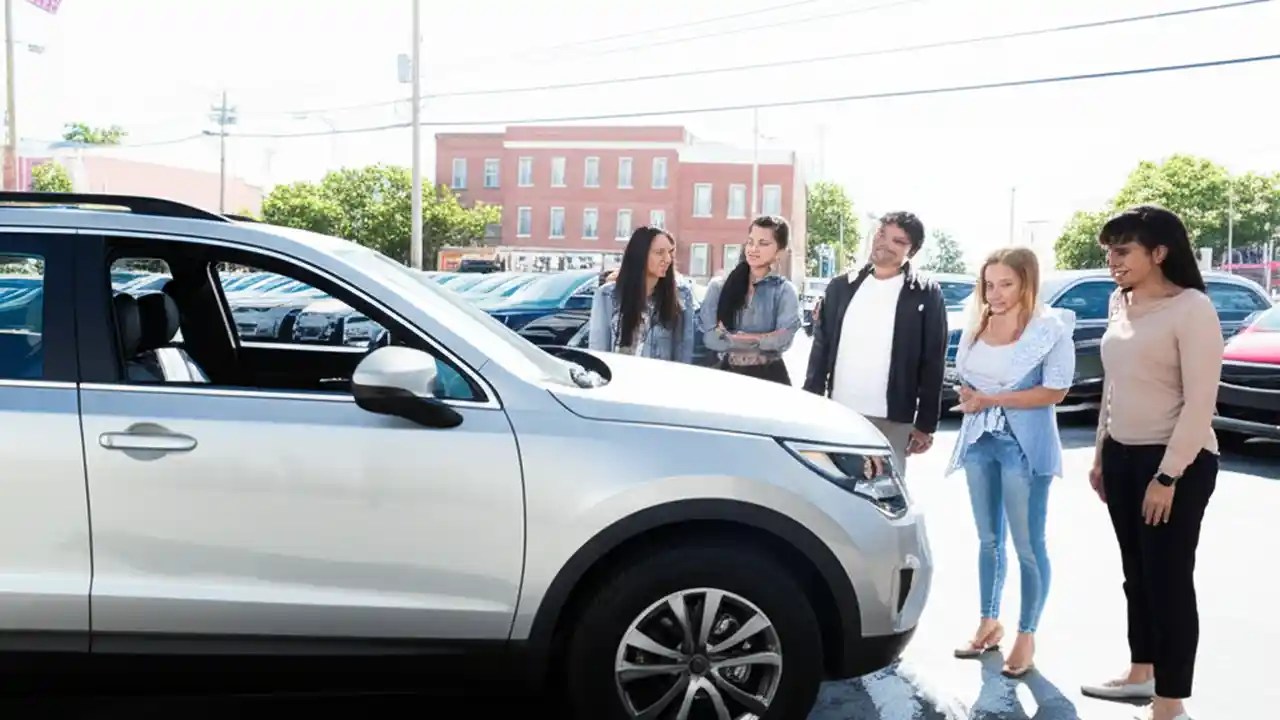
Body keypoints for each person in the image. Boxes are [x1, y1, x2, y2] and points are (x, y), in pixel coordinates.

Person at [1079, 205, 1223, 720]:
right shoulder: (1122, 301)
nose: (1113, 262)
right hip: (1121, 458)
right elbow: (1112, 387)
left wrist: (1168, 475)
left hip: (1175, 464)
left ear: (1159, 253)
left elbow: (1200, 401)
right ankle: (1141, 673)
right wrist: (1101, 453)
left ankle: (1170, 702)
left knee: (1168, 580)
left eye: (1123, 251)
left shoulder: (1192, 309)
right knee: (1135, 575)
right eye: (1109, 252)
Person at [945, 247, 1076, 679]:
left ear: (1027, 283)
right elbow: (968, 376)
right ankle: (989, 621)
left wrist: (992, 399)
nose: (995, 293)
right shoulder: (976, 323)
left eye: (1006, 284)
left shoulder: (1051, 328)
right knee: (988, 540)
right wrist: (970, 395)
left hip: (1024, 445)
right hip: (979, 440)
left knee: (1028, 545)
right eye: (989, 284)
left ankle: (1027, 634)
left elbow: (1055, 391)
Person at [803, 211, 948, 474]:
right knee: (832, 491)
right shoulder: (841, 287)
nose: (885, 244)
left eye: (898, 241)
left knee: (883, 497)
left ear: (911, 251)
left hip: (892, 419)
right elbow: (821, 349)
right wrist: (810, 402)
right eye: (882, 234)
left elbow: (933, 362)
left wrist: (926, 424)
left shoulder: (925, 294)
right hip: (839, 413)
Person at [700, 215, 802, 384]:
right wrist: (763, 338)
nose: (753, 249)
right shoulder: (719, 287)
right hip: (726, 376)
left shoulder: (785, 291)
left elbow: (782, 341)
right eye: (750, 242)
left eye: (763, 243)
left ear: (780, 252)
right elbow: (710, 339)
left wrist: (733, 337)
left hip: (771, 378)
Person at [588, 226, 697, 363]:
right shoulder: (607, 296)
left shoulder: (681, 296)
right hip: (620, 379)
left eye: (670, 252)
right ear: (640, 255)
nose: (667, 259)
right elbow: (598, 351)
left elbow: (683, 353)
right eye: (659, 252)